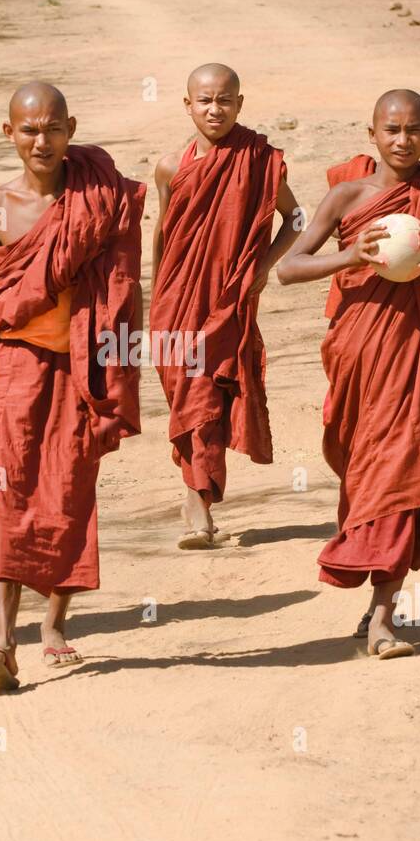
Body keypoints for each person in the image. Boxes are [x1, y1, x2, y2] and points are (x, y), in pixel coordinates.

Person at [278, 89, 420, 659]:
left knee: (403, 473)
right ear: (372, 133)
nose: (403, 141)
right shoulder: (347, 196)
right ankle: (374, 605)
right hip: (359, 356)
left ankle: (384, 617)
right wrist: (353, 257)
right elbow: (290, 267)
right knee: (364, 472)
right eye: (392, 130)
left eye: (414, 130)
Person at [0, 82, 144, 692]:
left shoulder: (98, 195)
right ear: (8, 133)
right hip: (18, 363)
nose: (42, 141)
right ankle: (2, 641)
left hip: (81, 365)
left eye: (53, 128)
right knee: (9, 492)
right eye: (29, 129)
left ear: (72, 128)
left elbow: (122, 286)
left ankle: (56, 624)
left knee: (70, 485)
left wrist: (119, 367)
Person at [150, 62, 300, 548]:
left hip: (230, 300)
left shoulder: (258, 160)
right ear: (187, 103)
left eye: (225, 100)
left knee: (210, 396)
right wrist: (156, 300)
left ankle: (200, 504)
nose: (215, 109)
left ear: (239, 103)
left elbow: (295, 219)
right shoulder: (171, 166)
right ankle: (196, 494)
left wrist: (262, 269)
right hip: (176, 300)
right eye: (205, 100)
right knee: (186, 395)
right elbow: (163, 234)